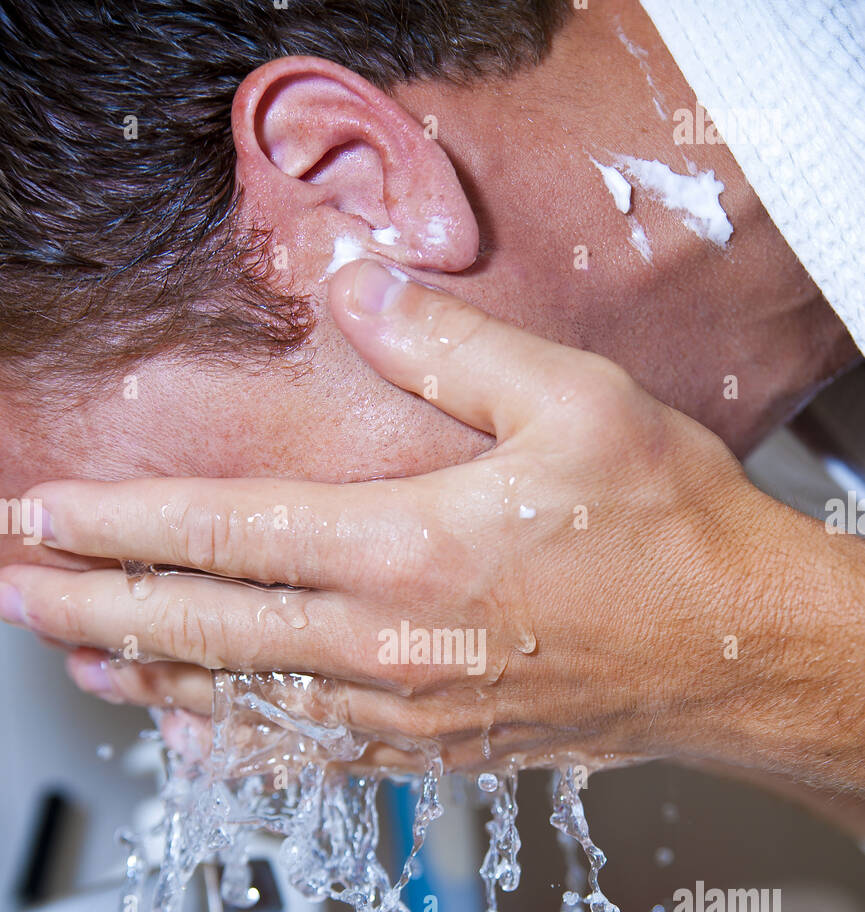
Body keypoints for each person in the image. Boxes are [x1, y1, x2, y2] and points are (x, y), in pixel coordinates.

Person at [0, 1, 863, 826]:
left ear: (351, 188)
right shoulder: (725, 459)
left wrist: (748, 651)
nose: (286, 669)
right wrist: (649, 683)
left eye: (208, 558)